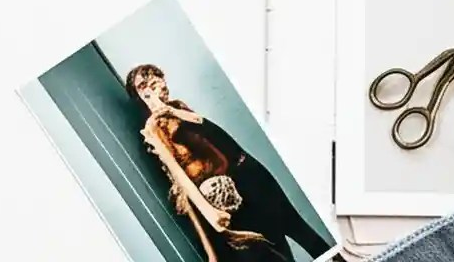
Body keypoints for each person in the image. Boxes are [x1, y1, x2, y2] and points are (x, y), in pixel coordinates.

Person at [126, 64, 332, 261]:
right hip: (233, 197)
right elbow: (181, 185)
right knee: (276, 248)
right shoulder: (155, 132)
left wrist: (173, 111)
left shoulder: (178, 108)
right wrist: (210, 248)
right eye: (145, 85)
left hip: (250, 173)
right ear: (140, 97)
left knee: (300, 230)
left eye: (156, 79)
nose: (154, 86)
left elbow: (213, 134)